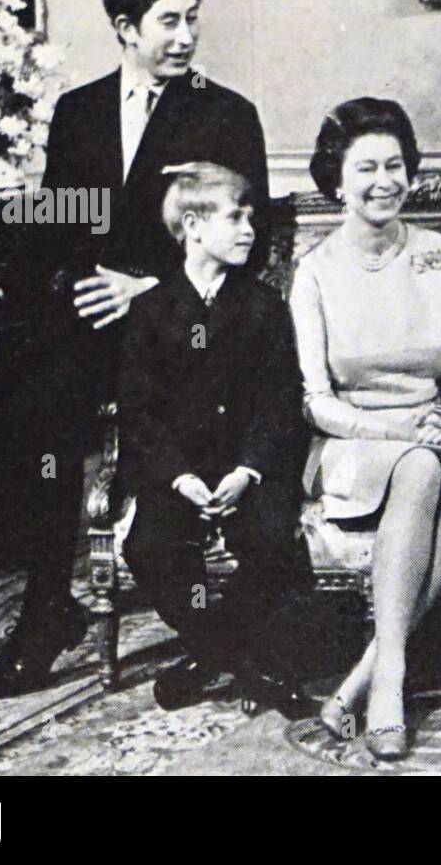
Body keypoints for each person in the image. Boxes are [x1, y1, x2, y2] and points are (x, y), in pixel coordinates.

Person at [0, 0, 273, 699]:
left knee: (43, 416)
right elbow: (55, 222)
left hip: (178, 337)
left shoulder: (225, 114)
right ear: (124, 27)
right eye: (168, 21)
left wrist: (148, 289)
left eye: (192, 18)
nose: (186, 36)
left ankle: (46, 612)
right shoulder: (81, 111)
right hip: (79, 323)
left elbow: (256, 245)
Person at [289, 98, 441, 761]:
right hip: (353, 441)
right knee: (420, 466)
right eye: (367, 167)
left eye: (396, 165)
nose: (386, 180)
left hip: (440, 430)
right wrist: (395, 432)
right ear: (337, 181)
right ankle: (390, 683)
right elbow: (314, 400)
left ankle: (363, 676)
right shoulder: (315, 271)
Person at [118, 163, 311, 712]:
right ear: (194, 225)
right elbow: (138, 412)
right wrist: (179, 478)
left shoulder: (264, 307)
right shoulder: (150, 311)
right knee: (147, 548)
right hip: (178, 474)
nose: (250, 228)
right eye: (236, 217)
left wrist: (247, 470)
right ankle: (246, 661)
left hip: (250, 468)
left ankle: (211, 655)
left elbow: (280, 399)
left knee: (274, 543)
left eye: (252, 216)